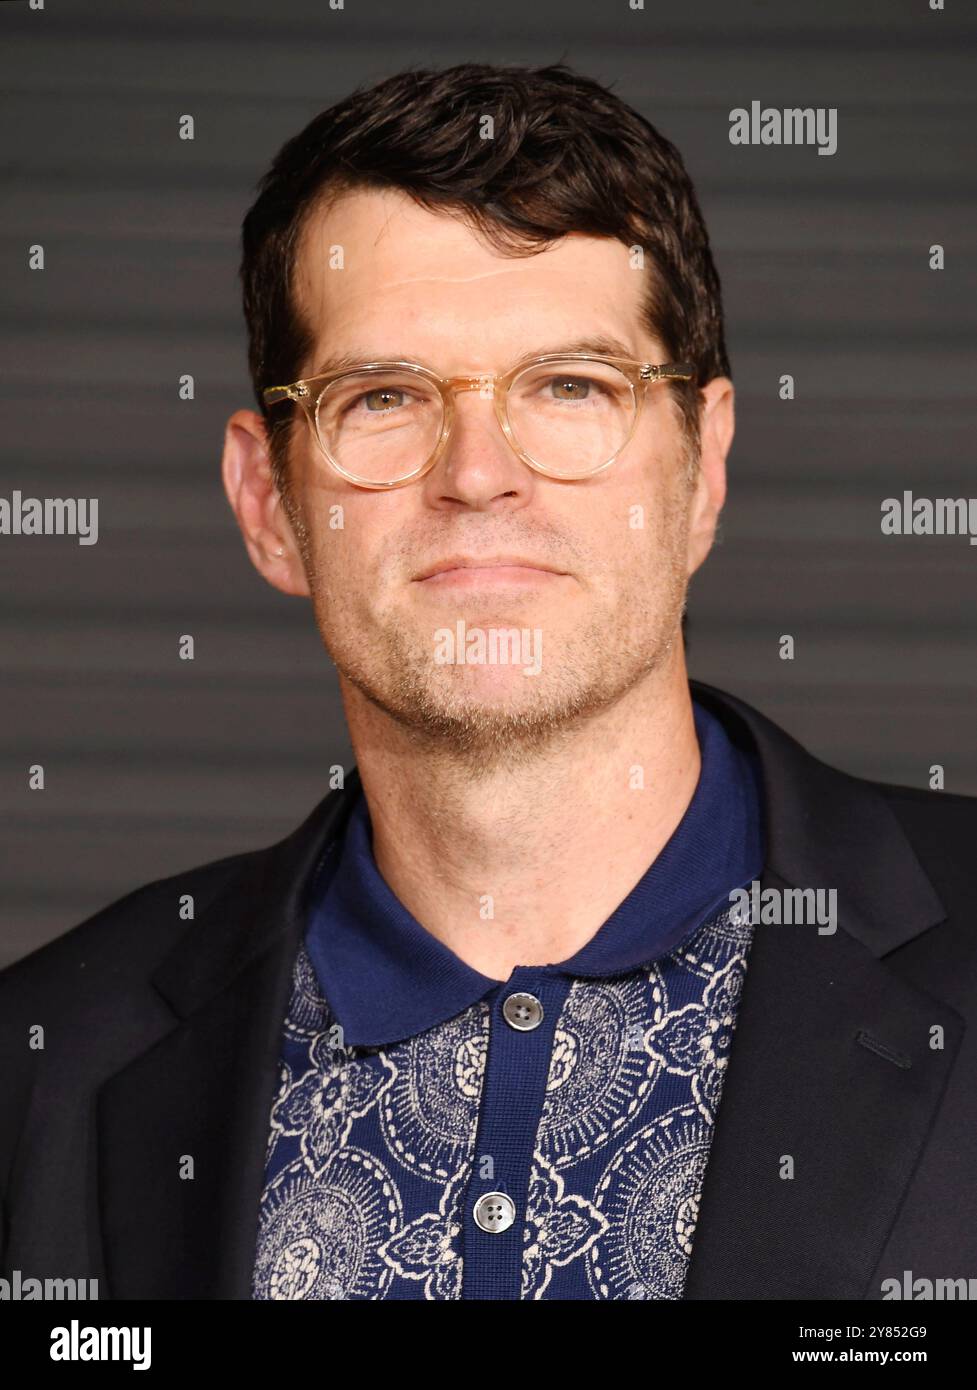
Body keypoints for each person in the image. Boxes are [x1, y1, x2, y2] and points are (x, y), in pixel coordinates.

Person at [1, 62, 974, 1302]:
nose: (476, 474)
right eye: (384, 397)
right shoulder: (42, 1064)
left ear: (703, 467)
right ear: (269, 504)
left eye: (570, 387)